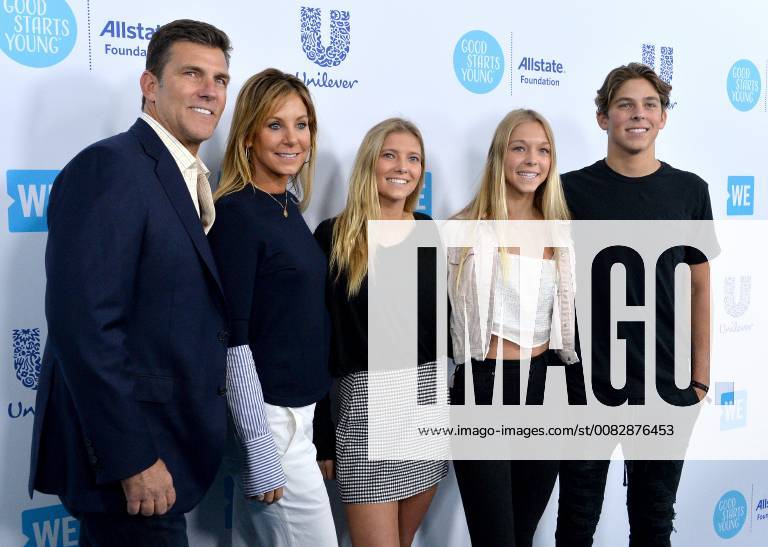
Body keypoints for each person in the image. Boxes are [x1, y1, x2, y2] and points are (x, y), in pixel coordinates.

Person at [28, 20, 233, 547]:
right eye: (192, 74)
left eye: (220, 78)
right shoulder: (111, 168)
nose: (210, 90)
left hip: (169, 452)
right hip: (131, 465)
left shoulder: (177, 173)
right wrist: (133, 458)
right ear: (150, 85)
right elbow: (85, 328)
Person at [555, 62, 715, 547]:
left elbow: (700, 287)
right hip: (586, 386)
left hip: (666, 386)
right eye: (625, 104)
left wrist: (700, 379)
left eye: (650, 104)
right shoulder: (567, 190)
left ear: (663, 118)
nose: (638, 114)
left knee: (653, 522)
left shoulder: (691, 191)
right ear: (603, 117)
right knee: (576, 522)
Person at [208, 68, 336, 547]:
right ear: (247, 136)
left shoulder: (287, 207)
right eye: (275, 124)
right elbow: (232, 339)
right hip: (270, 421)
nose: (291, 138)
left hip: (297, 417)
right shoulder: (238, 214)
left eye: (301, 124)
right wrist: (260, 445)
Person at [313, 118, 448, 547]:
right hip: (365, 410)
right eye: (390, 154)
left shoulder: (428, 230)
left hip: (427, 400)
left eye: (413, 158)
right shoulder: (334, 236)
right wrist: (322, 436)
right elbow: (319, 340)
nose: (402, 167)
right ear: (371, 161)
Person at [447, 109, 579, 547]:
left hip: (543, 387)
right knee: (495, 538)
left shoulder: (561, 231)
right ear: (499, 156)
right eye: (519, 147)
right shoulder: (463, 229)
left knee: (523, 534)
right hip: (481, 388)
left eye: (543, 150)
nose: (531, 159)